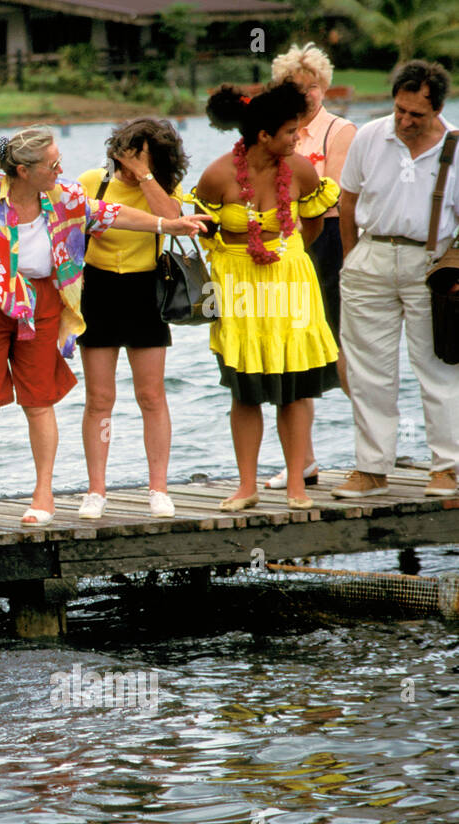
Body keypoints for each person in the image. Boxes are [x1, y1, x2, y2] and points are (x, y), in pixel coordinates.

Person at [0, 126, 208, 526]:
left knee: (39, 401)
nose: (61, 168)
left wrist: (169, 227)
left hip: (46, 301)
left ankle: (44, 496)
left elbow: (111, 214)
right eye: (53, 163)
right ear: (23, 170)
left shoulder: (66, 195)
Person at [190, 81, 342, 512]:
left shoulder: (301, 170)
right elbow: (203, 231)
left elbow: (314, 223)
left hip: (290, 280)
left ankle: (296, 484)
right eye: (292, 131)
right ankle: (246, 486)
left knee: (293, 388)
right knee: (246, 389)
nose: (298, 138)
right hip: (238, 286)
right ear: (263, 136)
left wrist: (288, 254)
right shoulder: (217, 175)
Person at [333, 60, 459, 500]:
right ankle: (371, 469)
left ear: (438, 109)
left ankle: (446, 468)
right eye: (400, 110)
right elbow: (347, 201)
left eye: (416, 115)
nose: (405, 121)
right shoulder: (371, 134)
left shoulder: (456, 145)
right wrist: (352, 259)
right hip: (371, 253)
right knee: (368, 371)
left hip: (430, 263)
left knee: (439, 367)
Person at [75, 119, 189, 520]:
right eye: (128, 156)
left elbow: (173, 217)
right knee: (100, 399)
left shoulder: (162, 188)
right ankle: (96, 490)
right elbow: (72, 222)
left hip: (145, 289)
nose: (132, 166)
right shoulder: (93, 181)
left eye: (143, 158)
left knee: (151, 395)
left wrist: (145, 177)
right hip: (99, 289)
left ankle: (158, 487)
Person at [265, 42, 358, 490]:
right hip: (282, 248)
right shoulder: (271, 133)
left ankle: (371, 454)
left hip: (327, 245)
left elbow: (334, 193)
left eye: (313, 87)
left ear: (324, 87)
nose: (305, 95)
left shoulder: (339, 130)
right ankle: (302, 460)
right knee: (289, 353)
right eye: (295, 88)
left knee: (341, 349)